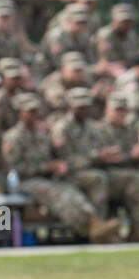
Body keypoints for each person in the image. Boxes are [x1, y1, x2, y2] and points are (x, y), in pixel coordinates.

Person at [1, 93, 120, 242]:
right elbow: (15, 168)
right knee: (57, 193)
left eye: (35, 111)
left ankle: (95, 223)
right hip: (27, 181)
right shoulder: (13, 137)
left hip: (48, 178)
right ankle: (90, 228)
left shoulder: (42, 133)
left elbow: (55, 153)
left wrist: (56, 165)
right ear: (20, 113)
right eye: (30, 112)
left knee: (71, 192)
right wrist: (46, 167)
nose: (34, 115)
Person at [92, 91, 139, 242]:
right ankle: (138, 230)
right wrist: (132, 155)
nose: (121, 114)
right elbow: (106, 158)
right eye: (118, 110)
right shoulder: (99, 130)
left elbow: (135, 154)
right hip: (107, 173)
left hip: (128, 172)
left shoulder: (130, 129)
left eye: (124, 110)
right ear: (107, 110)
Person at [50, 88, 111, 218]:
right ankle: (98, 223)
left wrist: (106, 155)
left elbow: (101, 149)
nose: (84, 110)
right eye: (80, 107)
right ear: (70, 107)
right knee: (98, 178)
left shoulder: (93, 127)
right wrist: (96, 157)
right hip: (69, 175)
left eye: (86, 107)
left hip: (93, 169)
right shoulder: (61, 129)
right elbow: (66, 162)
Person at [95, 3, 139, 76]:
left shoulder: (131, 35)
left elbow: (135, 57)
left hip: (127, 69)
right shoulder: (105, 36)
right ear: (114, 20)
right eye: (122, 21)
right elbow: (106, 62)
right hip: (109, 72)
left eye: (128, 21)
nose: (126, 24)